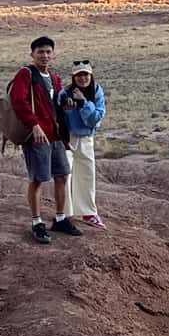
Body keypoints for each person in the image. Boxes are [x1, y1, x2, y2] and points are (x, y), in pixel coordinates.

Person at [9, 36, 82, 244]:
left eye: (48, 52)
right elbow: (18, 101)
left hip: (55, 134)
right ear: (32, 54)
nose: (45, 55)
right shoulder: (25, 74)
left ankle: (60, 219)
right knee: (38, 178)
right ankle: (37, 222)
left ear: (53, 54)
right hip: (37, 136)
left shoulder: (54, 77)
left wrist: (69, 104)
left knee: (62, 175)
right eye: (40, 52)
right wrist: (34, 124)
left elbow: (58, 104)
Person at [60, 60, 106, 229]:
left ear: (91, 75)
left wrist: (83, 103)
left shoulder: (96, 91)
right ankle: (64, 213)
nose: (83, 78)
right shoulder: (65, 93)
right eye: (78, 75)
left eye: (85, 74)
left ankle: (89, 212)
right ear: (74, 77)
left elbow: (94, 119)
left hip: (86, 138)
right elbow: (59, 115)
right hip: (67, 138)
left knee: (87, 173)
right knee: (66, 175)